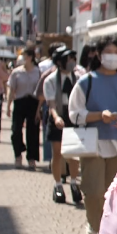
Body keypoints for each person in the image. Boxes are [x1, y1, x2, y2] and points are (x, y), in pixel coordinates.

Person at [69, 36, 117, 234]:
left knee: (115, 193)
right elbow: (74, 113)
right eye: (108, 52)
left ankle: (109, 231)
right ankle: (93, 228)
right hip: (93, 143)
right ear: (99, 55)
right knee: (92, 190)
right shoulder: (86, 81)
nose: (113, 56)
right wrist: (100, 115)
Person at [43, 48, 82, 204]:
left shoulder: (79, 78)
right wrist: (56, 117)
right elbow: (51, 103)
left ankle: (74, 183)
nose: (72, 61)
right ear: (59, 62)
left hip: (73, 117)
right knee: (57, 153)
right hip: (58, 116)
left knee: (74, 154)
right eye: (68, 59)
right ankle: (58, 185)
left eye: (73, 58)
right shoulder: (50, 80)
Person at [7, 48, 41, 169]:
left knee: (32, 131)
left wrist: (39, 109)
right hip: (20, 101)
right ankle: (18, 154)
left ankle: (31, 157)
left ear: (31, 57)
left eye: (25, 56)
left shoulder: (38, 72)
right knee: (16, 130)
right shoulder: (16, 72)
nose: (23, 58)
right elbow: (11, 90)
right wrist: (8, 106)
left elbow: (41, 92)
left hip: (33, 102)